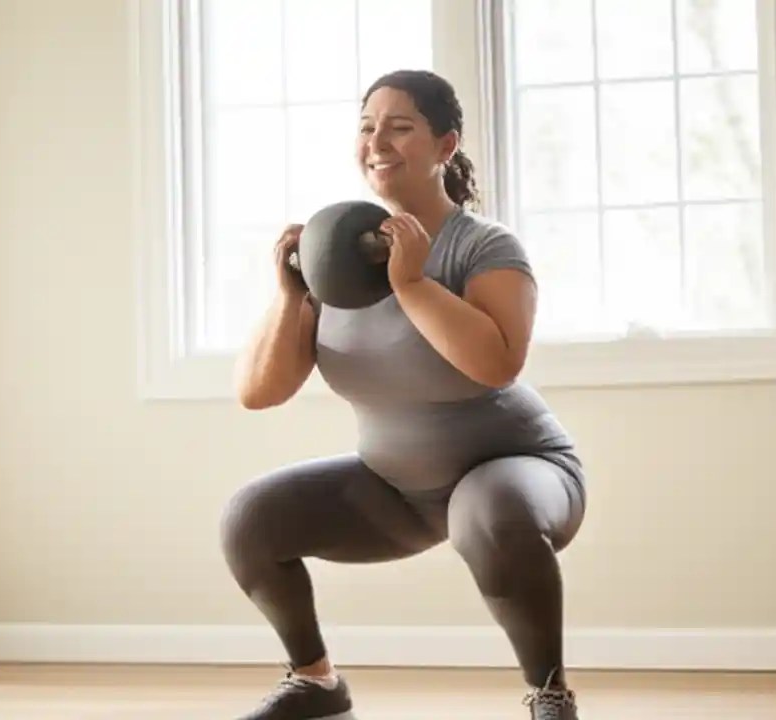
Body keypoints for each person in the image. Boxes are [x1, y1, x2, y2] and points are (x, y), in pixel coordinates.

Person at [222, 69, 586, 720]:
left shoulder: (484, 246)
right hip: (400, 491)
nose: (377, 142)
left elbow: (496, 364)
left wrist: (413, 284)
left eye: (399, 127)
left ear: (446, 145)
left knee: (489, 508)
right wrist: (290, 295)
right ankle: (316, 684)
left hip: (521, 473)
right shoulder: (334, 255)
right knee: (251, 519)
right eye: (367, 127)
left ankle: (550, 694)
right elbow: (259, 392)